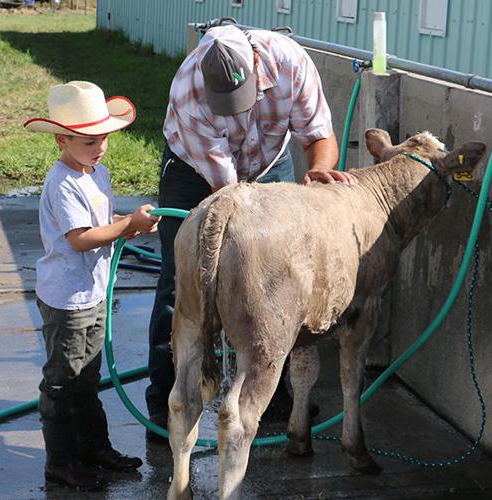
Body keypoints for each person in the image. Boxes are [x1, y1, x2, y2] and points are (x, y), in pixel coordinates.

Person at [146, 25, 357, 438]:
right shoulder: (189, 91)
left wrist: (316, 170)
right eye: (226, 104)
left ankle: (269, 397)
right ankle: (168, 404)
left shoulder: (292, 63)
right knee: (183, 280)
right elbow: (227, 196)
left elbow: (319, 136)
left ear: (258, 66)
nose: (236, 110)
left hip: (269, 161)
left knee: (278, 284)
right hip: (196, 172)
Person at [24, 81, 161, 490]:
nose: (99, 147)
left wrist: (124, 228)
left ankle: (93, 446)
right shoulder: (63, 183)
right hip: (68, 298)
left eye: (103, 138)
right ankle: (61, 461)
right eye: (88, 141)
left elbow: (102, 222)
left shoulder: (95, 172)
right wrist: (125, 225)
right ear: (61, 140)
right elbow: (80, 238)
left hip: (94, 291)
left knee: (88, 375)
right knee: (64, 380)